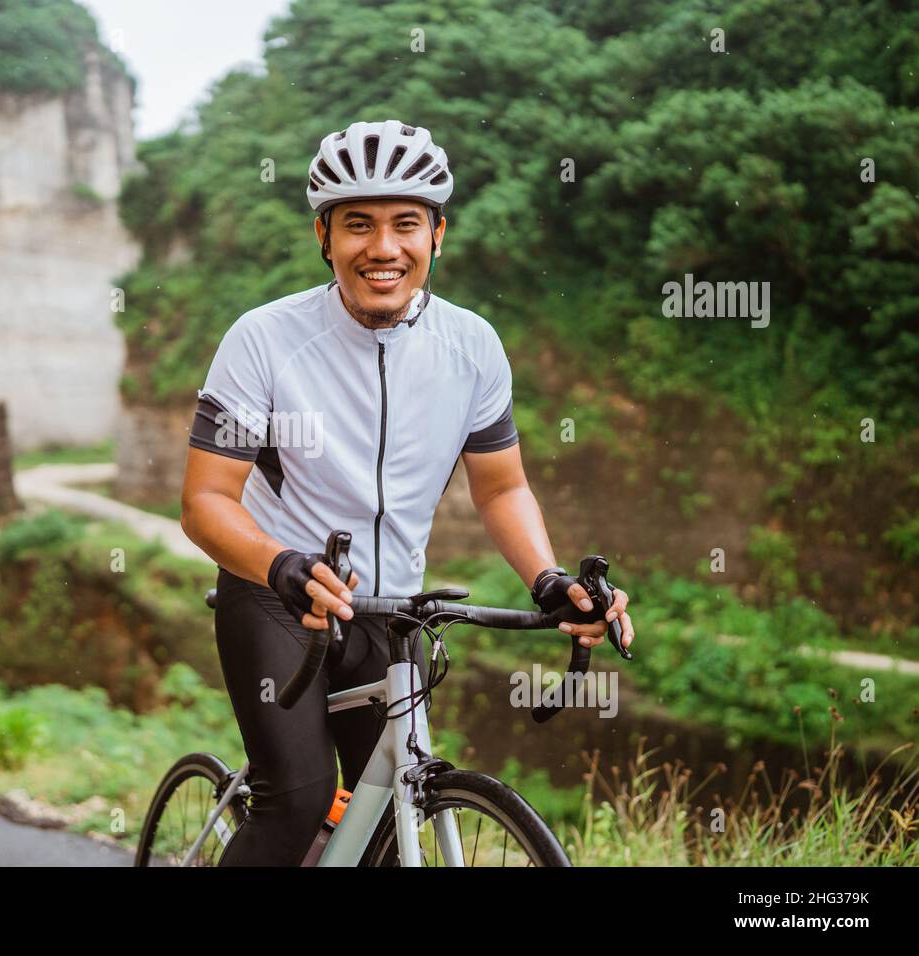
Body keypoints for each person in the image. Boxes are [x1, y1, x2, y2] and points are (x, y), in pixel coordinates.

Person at [179, 119, 635, 866]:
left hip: (395, 611)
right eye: (358, 225)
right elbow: (206, 503)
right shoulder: (262, 341)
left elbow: (501, 487)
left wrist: (548, 580)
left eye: (405, 225)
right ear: (324, 237)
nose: (383, 249)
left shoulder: (473, 348)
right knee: (294, 801)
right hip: (275, 596)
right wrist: (283, 564)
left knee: (393, 823)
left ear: (437, 235)